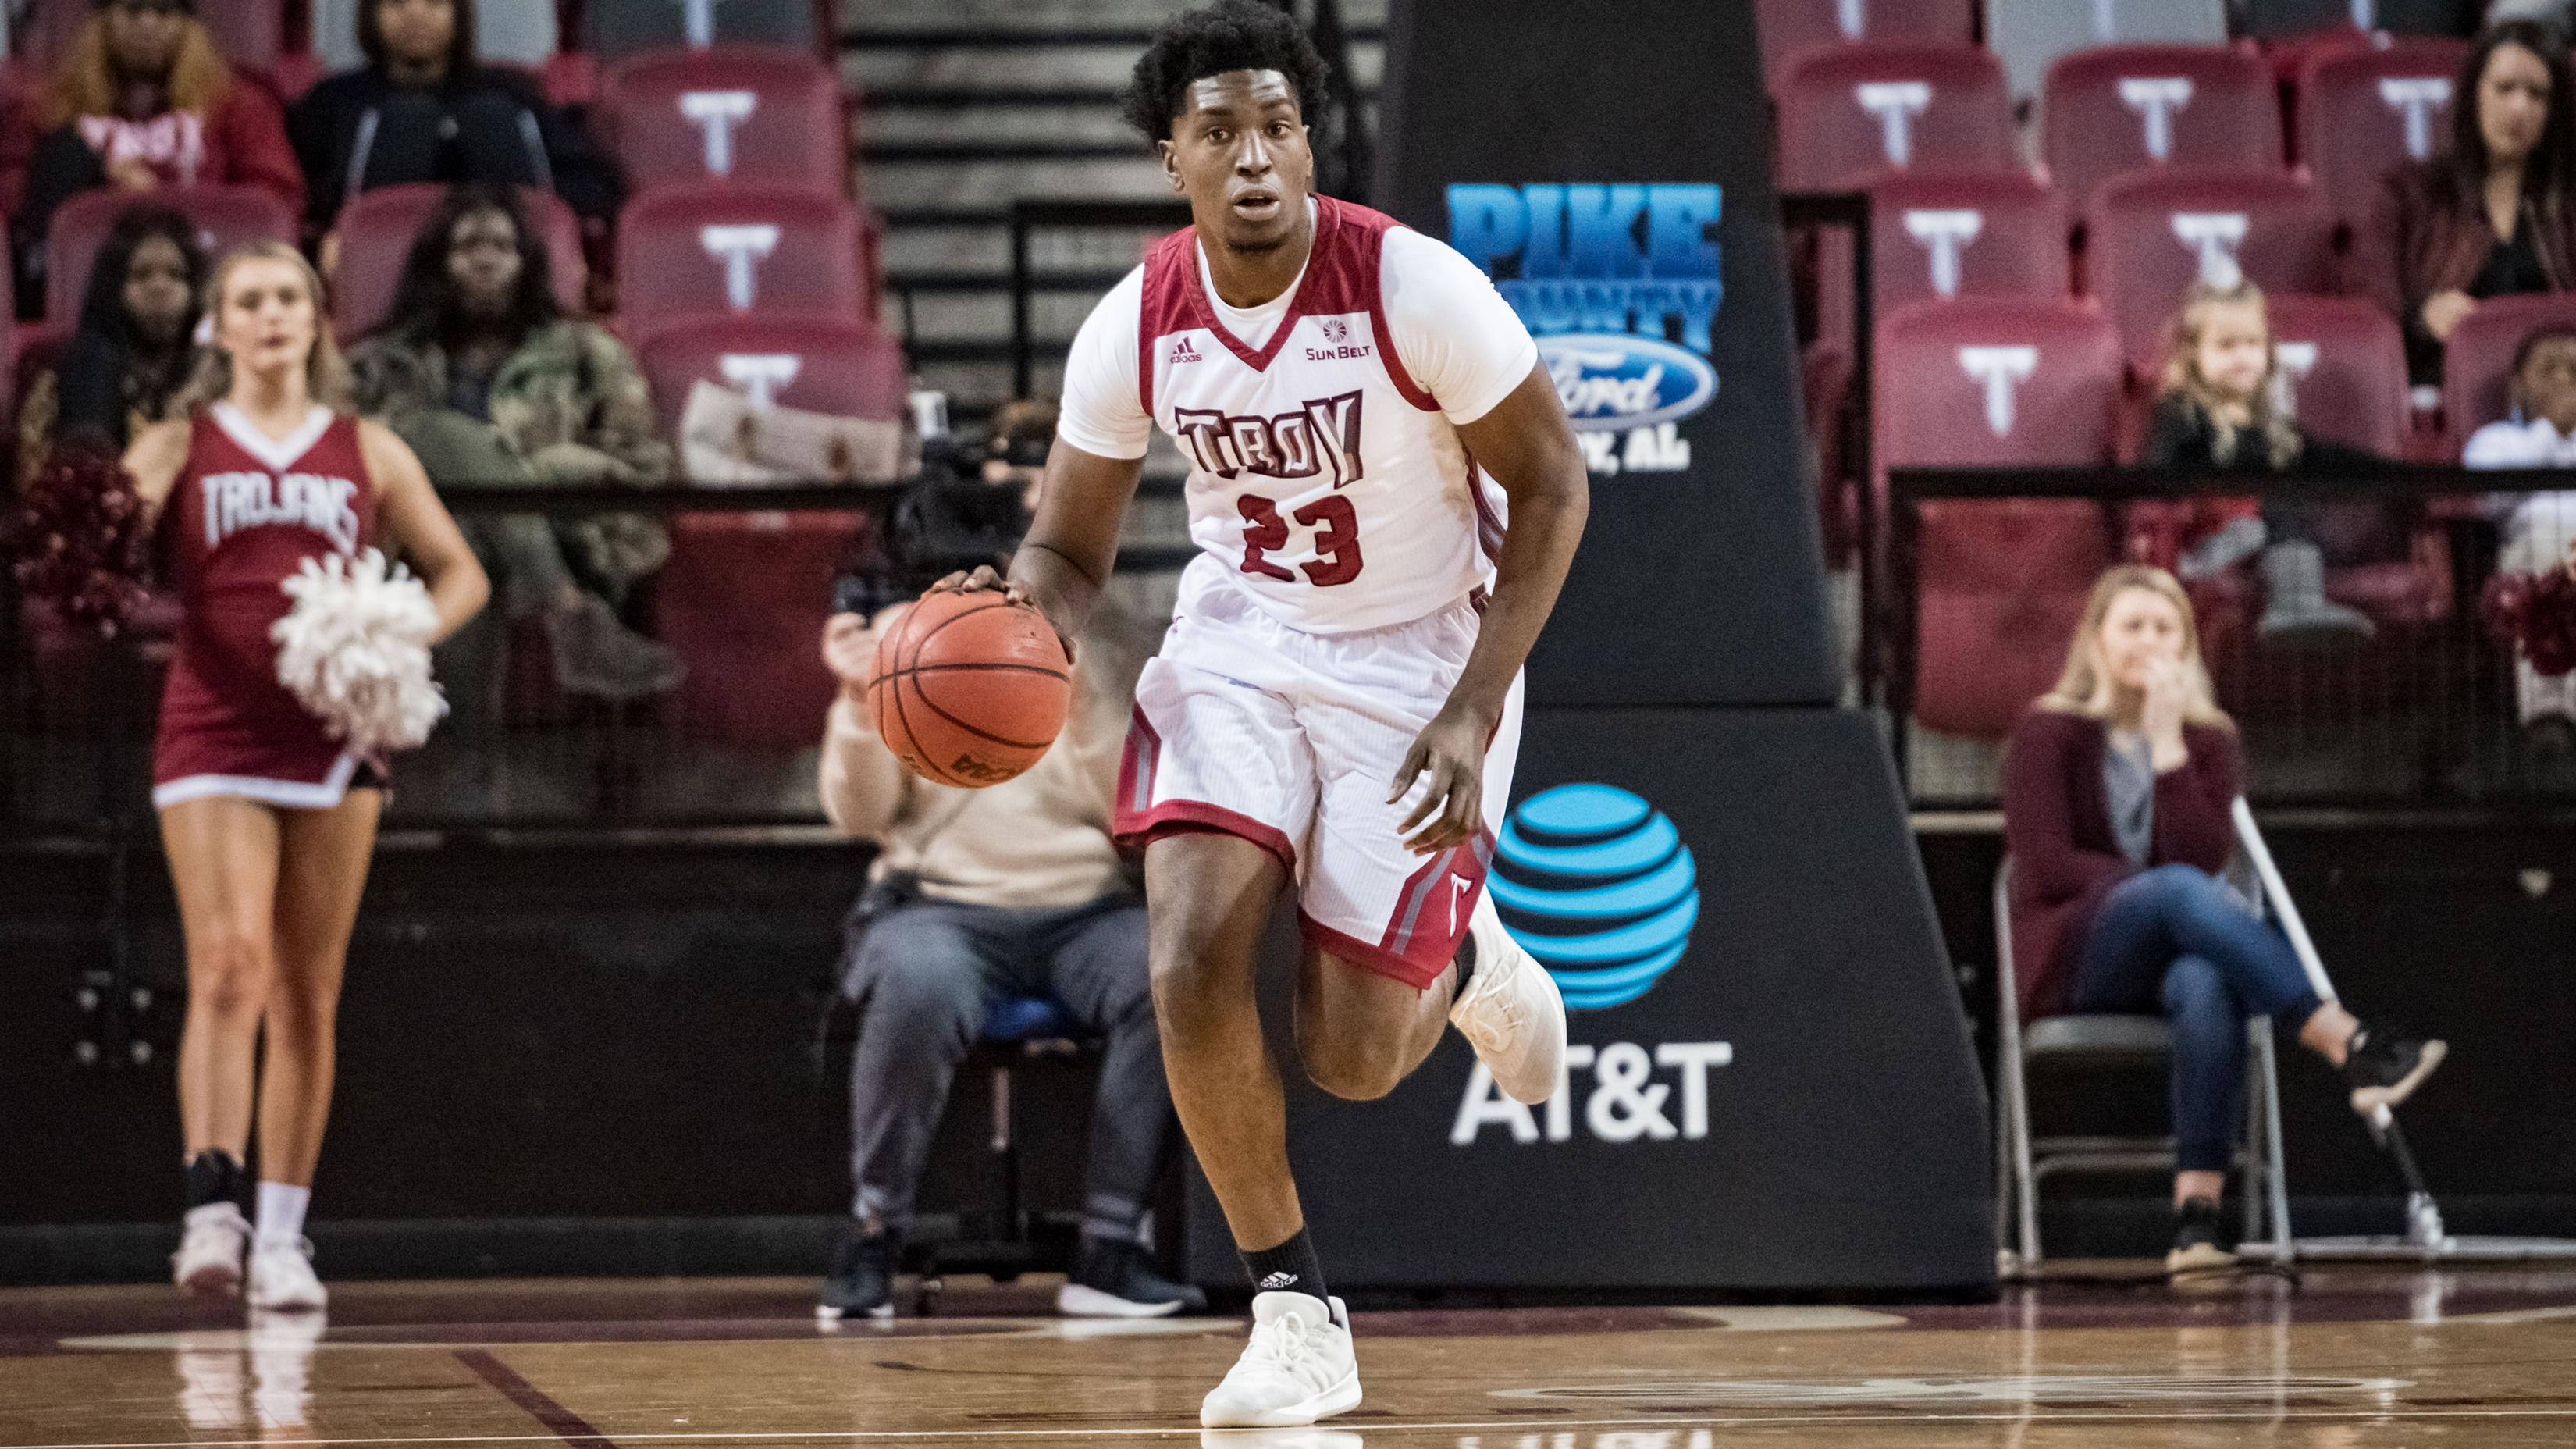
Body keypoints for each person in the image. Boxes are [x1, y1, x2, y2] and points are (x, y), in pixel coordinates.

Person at [946, 2, 1589, 1427]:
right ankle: (1296, 1310)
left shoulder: (1414, 286)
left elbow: (1553, 489)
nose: (1253, 156)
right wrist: (1017, 623)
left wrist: (1475, 712)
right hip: (1241, 643)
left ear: (1309, 143)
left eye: (1277, 125)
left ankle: (1468, 960)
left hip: (1423, 659)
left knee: (1353, 1058)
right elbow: (1068, 549)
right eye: (1219, 130)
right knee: (1184, 951)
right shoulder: (1138, 323)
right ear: (1172, 157)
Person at [125, 242, 489, 1308]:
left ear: (318, 318)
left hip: (335, 731)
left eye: (289, 297)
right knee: (228, 964)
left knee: (306, 993)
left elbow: (461, 567)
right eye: (248, 300)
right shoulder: (178, 442)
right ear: (219, 327)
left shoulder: (366, 448)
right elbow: (103, 528)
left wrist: (397, 631)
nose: (271, 314)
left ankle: (285, 1236)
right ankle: (210, 1213)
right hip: (213, 722)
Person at [2003, 566, 2447, 1276]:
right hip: (2081, 956)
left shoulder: (2210, 743)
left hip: (2175, 951)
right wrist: (2152, 894)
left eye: (2165, 629)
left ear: (2187, 647)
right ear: (2096, 640)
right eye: (2132, 626)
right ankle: (2348, 1040)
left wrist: (2167, 742)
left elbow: (2203, 855)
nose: (2149, 641)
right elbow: (2046, 863)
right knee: (2178, 892)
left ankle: (2197, 1223)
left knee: (2208, 977)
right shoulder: (2048, 732)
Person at [814, 593, 1203, 1321]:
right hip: (942, 906)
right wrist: (858, 702)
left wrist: (1085, 708)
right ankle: (873, 1232)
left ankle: (1110, 1250)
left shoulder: (1090, 641)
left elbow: (1131, 814)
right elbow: (857, 817)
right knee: (919, 981)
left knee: (1173, 974)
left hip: (1083, 908)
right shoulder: (914, 640)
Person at [348, 184, 680, 709]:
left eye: (502, 248)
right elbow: (341, 466)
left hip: (568, 536)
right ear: (437, 265)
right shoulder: (381, 363)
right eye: (467, 248)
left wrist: (548, 471)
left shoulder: (587, 352)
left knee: (470, 542)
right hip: (407, 546)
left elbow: (645, 467)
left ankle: (466, 775)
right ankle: (566, 614)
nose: (485, 262)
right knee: (426, 432)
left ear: (528, 264)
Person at [0, 0, 302, 314]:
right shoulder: (48, 109)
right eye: (132, 11)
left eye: (163, 12)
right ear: (102, 23)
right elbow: (14, 199)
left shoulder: (237, 106)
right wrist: (95, 179)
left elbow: (272, 203)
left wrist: (161, 200)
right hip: (87, 291)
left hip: (205, 285)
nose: (147, 25)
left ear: (188, 26)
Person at [2144, 281, 2379, 643]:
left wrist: (2399, 473)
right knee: (2279, 491)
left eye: (2253, 344)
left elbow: (2322, 456)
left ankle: (2300, 600)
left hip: (2262, 534)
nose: (2243, 357)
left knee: (2294, 489)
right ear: (2193, 354)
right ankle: (2293, 604)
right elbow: (2156, 473)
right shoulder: (2182, 413)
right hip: (2205, 535)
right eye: (2226, 346)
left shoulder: (2269, 423)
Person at [2356, 20, 2576, 385]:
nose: (2520, 107)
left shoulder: (2567, 203)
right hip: (2445, 386)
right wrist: (2423, 318)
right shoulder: (2409, 194)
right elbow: (2369, 308)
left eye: (2538, 95)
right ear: (2474, 92)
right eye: (2504, 88)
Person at [290, 0, 620, 233]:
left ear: (458, 13)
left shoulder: (511, 94)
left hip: (506, 252)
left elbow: (587, 181)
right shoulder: (333, 100)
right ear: (371, 14)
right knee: (408, 119)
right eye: (397, 3)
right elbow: (307, 197)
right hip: (384, 252)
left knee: (489, 117)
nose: (416, 15)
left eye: (435, 2)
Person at [16, 204, 207, 481]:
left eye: (176, 275)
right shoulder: (87, 367)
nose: (159, 287)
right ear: (114, 290)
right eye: (141, 275)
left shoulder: (217, 365)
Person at [2460, 322, 2576, 743]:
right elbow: (2492, 500)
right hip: (2535, 543)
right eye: (2549, 370)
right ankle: (2550, 715)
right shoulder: (2498, 440)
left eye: (2574, 369)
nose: (2565, 379)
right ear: (2518, 386)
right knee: (2549, 546)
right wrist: (2552, 430)